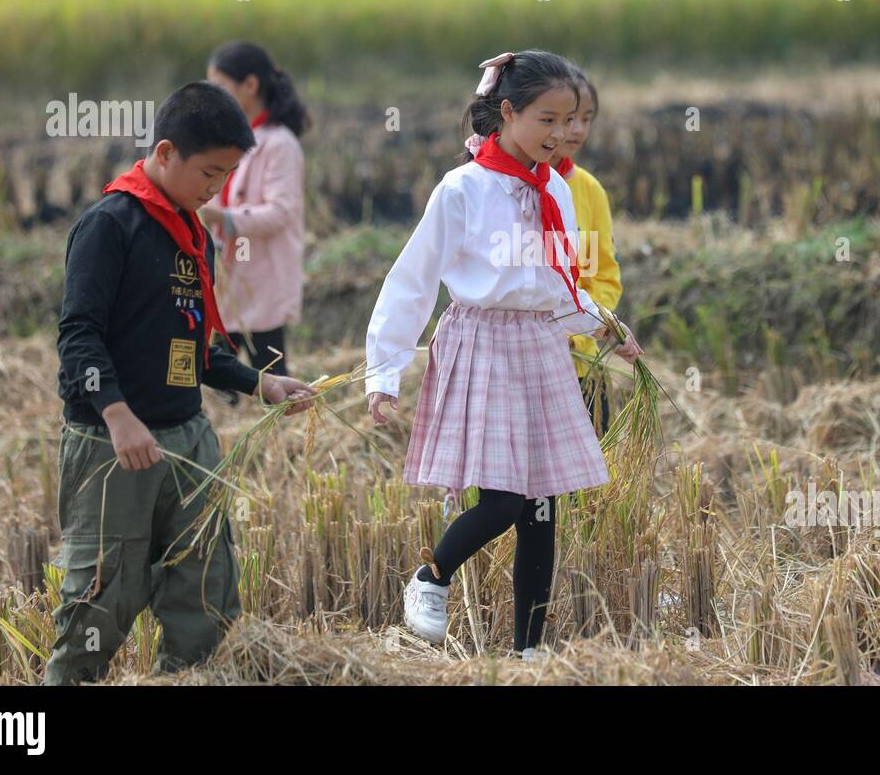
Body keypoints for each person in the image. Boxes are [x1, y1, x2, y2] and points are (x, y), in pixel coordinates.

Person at [365, 50, 643, 659]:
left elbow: (559, 287)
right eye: (547, 119)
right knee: (505, 498)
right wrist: (384, 370)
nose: (562, 133)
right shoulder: (463, 189)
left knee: (543, 505)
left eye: (571, 120)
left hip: (542, 346)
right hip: (484, 342)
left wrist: (605, 328)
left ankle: (528, 651)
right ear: (507, 111)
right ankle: (430, 577)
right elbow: (413, 280)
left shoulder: (559, 193)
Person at [47, 81, 314, 685]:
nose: (216, 189)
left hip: (188, 439)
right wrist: (117, 415)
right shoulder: (109, 227)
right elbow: (78, 336)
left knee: (206, 594)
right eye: (209, 173)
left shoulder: (190, 232)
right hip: (113, 449)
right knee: (100, 600)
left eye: (226, 176)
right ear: (164, 153)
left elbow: (195, 348)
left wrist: (260, 383)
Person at [199, 41, 308, 377]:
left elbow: (280, 213)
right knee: (219, 370)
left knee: (270, 370)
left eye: (220, 87)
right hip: (229, 274)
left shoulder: (279, 143)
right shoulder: (228, 139)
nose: (214, 96)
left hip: (264, 276)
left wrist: (222, 218)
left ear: (250, 86)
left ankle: (278, 426)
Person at [548, 64, 622, 435]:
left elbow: (602, 276)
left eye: (586, 118)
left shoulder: (588, 191)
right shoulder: (497, 188)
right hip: (525, 367)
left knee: (589, 484)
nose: (576, 130)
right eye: (567, 118)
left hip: (581, 366)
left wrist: (583, 325)